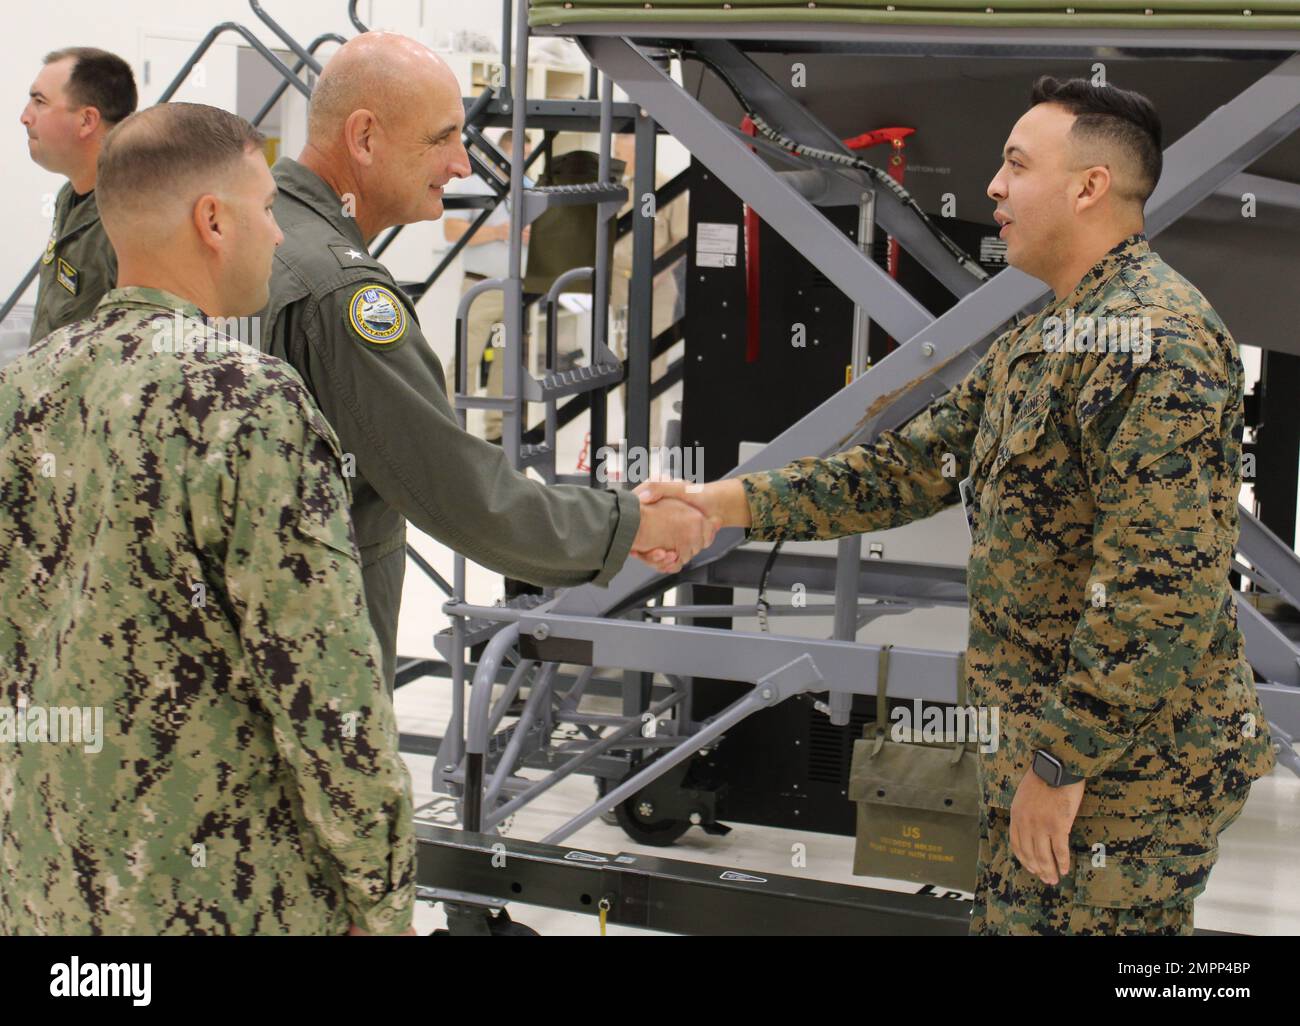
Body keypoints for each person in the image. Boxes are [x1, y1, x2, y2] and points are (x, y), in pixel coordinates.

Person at [638, 76, 1276, 936]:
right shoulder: (1047, 333)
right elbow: (905, 469)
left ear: (1089, 187)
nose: (993, 188)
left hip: (1127, 780)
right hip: (1052, 753)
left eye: (1016, 165)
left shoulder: (1157, 342)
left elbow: (1157, 595)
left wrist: (1060, 764)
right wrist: (719, 503)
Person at [0, 103, 414, 935]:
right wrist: (384, 890)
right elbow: (325, 691)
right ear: (213, 220)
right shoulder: (246, 400)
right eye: (265, 209)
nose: (276, 233)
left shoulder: (23, 389)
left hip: (49, 884)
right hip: (226, 895)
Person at [260, 31, 713, 689]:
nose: (463, 165)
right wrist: (628, 524)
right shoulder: (341, 293)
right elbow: (463, 493)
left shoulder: (254, 233)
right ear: (363, 138)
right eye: (443, 138)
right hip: (314, 667)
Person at [20, 47, 137, 344]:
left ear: (87, 120)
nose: (25, 117)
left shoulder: (130, 217)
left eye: (39, 102)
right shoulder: (70, 196)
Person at [443, 128, 530, 443]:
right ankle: (452, 429)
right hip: (479, 289)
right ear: (504, 154)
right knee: (466, 358)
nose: (523, 163)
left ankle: (497, 433)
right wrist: (498, 232)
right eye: (519, 156)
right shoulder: (475, 185)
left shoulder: (528, 188)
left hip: (515, 289)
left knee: (506, 364)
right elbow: (451, 230)